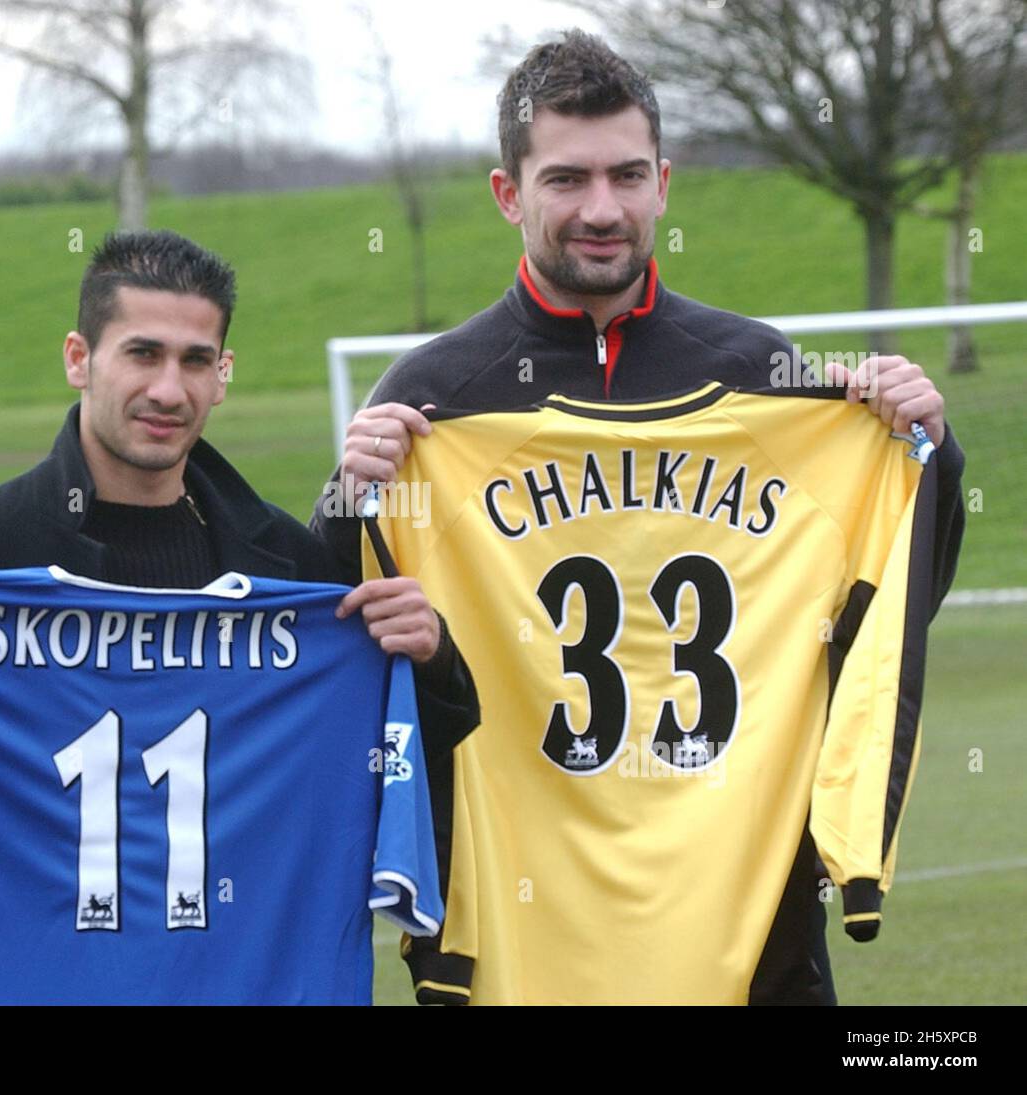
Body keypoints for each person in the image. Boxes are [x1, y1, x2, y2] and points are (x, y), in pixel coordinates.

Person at [310, 30, 965, 1005]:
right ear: (508, 193)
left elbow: (898, 585)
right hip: (523, 936)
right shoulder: (434, 399)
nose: (602, 210)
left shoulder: (764, 376)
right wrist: (340, 509)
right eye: (566, 180)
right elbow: (342, 655)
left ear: (663, 181)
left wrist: (923, 453)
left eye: (625, 175)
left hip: (753, 936)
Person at [0, 229, 479, 819]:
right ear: (81, 358)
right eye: (142, 353)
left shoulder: (288, 572)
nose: (169, 390)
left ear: (223, 375)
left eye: (195, 361)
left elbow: (394, 771)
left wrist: (434, 659)